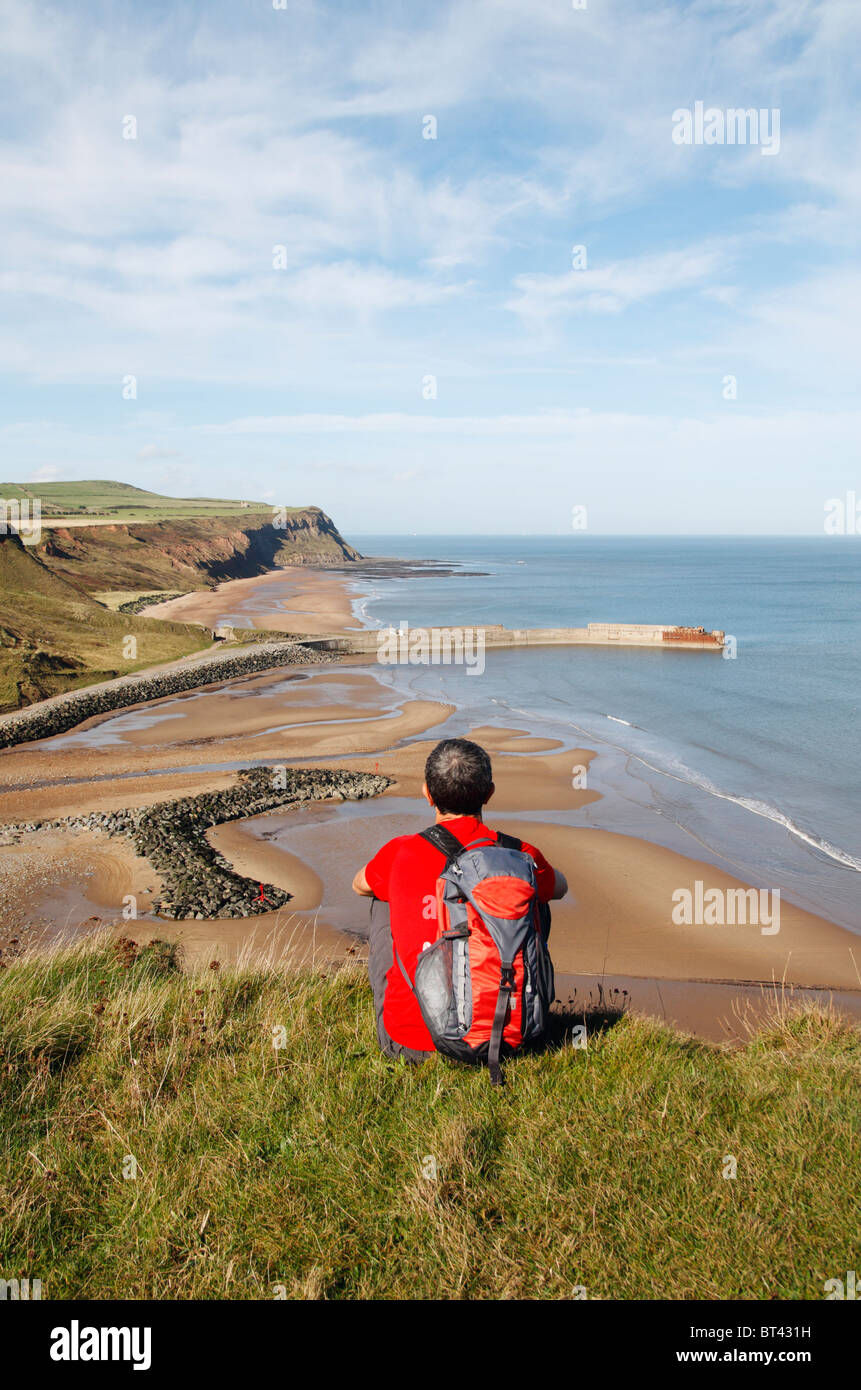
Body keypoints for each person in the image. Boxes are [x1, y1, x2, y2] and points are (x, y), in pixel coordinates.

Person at [352, 737, 568, 1063]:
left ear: (427, 793)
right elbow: (560, 887)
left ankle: (406, 1002)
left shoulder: (401, 851)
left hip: (409, 1045)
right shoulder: (518, 854)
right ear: (489, 793)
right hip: (509, 1039)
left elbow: (359, 884)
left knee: (381, 898)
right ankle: (515, 1004)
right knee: (534, 896)